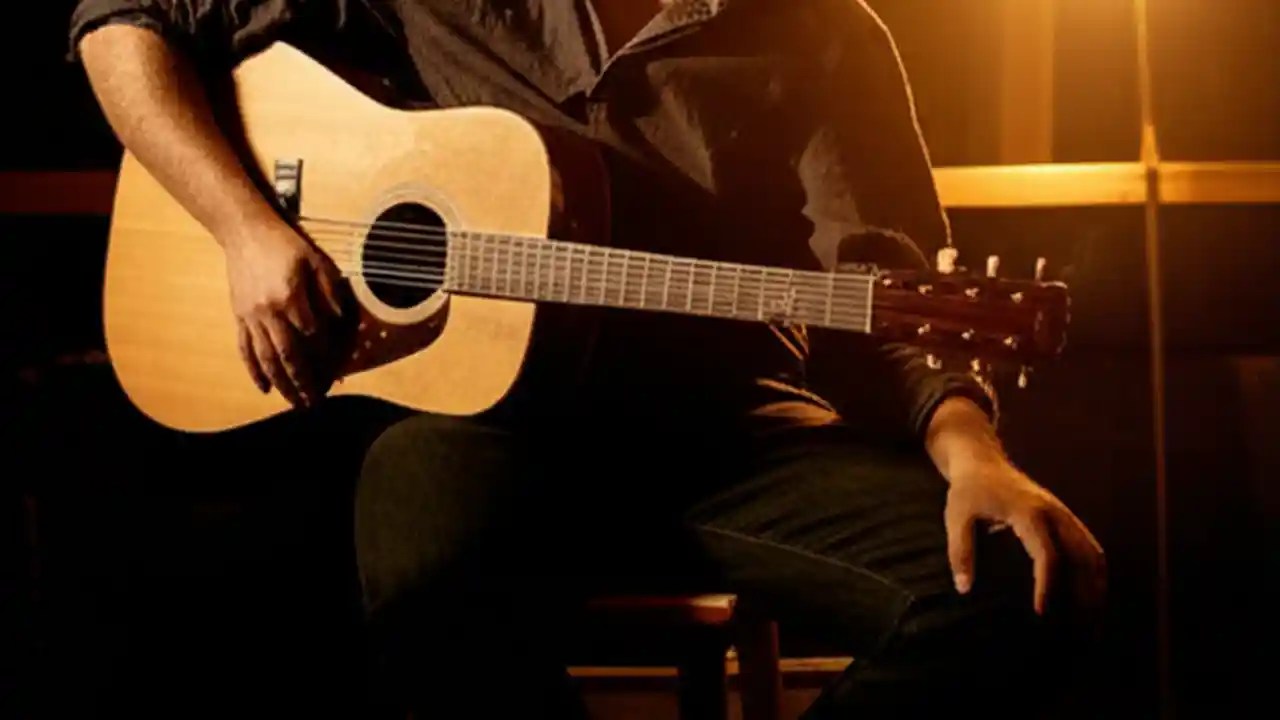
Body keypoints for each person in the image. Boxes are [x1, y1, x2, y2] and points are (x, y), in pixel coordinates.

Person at [70, 1, 1106, 717]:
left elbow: (892, 278)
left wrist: (973, 452)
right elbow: (125, 23)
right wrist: (245, 227)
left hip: (729, 433)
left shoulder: (823, 28)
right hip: (488, 420)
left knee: (1020, 588)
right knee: (423, 593)